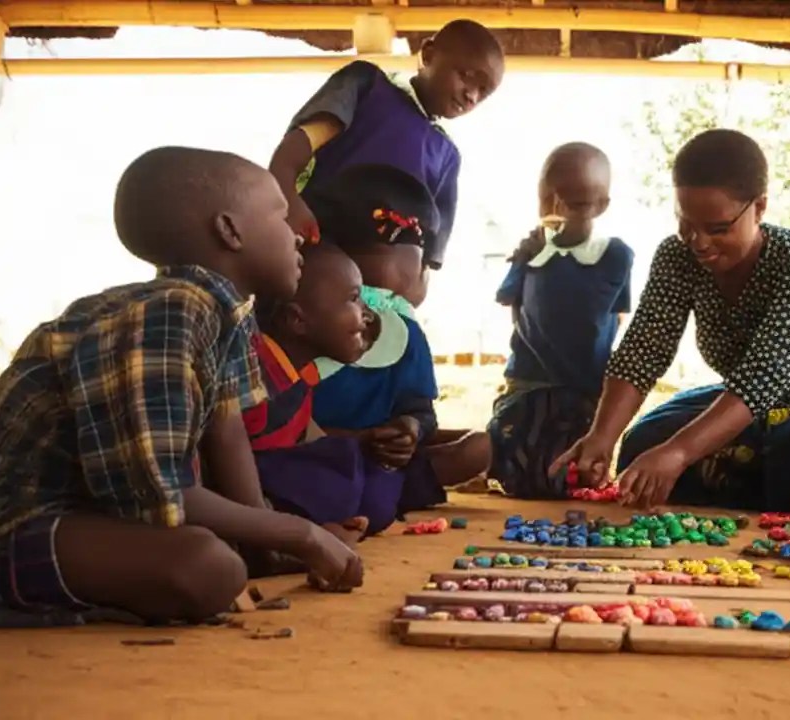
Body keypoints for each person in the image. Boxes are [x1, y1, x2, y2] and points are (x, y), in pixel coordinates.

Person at [0, 147, 363, 624]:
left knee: (229, 555)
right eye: (280, 213)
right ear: (229, 230)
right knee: (204, 567)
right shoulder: (170, 312)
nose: (299, 234)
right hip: (22, 520)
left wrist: (273, 543)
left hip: (93, 520)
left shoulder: (228, 317)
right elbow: (161, 491)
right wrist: (301, 535)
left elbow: (227, 438)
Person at [552, 129, 790, 511]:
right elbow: (643, 351)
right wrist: (602, 436)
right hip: (755, 412)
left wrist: (682, 453)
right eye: (686, 223)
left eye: (718, 228)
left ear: (760, 208)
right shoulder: (676, 257)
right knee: (644, 444)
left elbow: (761, 377)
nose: (699, 242)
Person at [307, 164, 490, 506]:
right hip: (309, 453)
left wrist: (409, 429)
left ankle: (383, 487)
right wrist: (355, 439)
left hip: (383, 460)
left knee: (479, 447)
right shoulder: (304, 320)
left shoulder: (406, 335)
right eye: (422, 264)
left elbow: (420, 411)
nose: (424, 274)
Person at [268, 18, 505, 275]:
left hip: (387, 304)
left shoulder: (447, 155)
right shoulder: (367, 87)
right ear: (428, 54)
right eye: (466, 77)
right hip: (321, 268)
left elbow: (431, 254)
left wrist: (414, 285)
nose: (471, 96)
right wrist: (289, 200)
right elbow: (290, 157)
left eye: (483, 92)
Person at [246, 242, 427, 539]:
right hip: (251, 500)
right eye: (354, 299)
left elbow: (307, 434)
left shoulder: (299, 374)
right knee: (339, 470)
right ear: (297, 320)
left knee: (362, 478)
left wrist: (368, 440)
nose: (367, 314)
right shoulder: (256, 377)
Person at [488, 143, 634, 498]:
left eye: (577, 203)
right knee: (516, 472)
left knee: (569, 478)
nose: (561, 211)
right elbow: (509, 299)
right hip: (528, 380)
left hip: (583, 385)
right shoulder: (532, 252)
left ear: (602, 206)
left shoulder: (614, 255)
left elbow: (616, 315)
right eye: (549, 201)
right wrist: (526, 257)